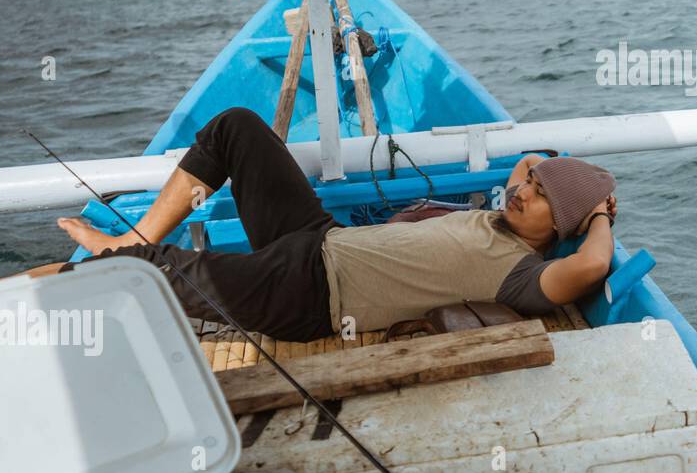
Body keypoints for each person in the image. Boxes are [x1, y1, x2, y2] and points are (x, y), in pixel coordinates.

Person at [47, 107, 617, 341]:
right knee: (236, 127)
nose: (522, 189)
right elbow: (531, 163)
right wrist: (549, 181)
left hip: (310, 295)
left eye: (540, 197)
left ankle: (93, 266)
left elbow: (592, 263)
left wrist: (595, 212)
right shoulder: (499, 217)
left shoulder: (521, 274)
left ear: (562, 223)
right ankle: (138, 233)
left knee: (148, 273)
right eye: (529, 183)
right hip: (318, 239)